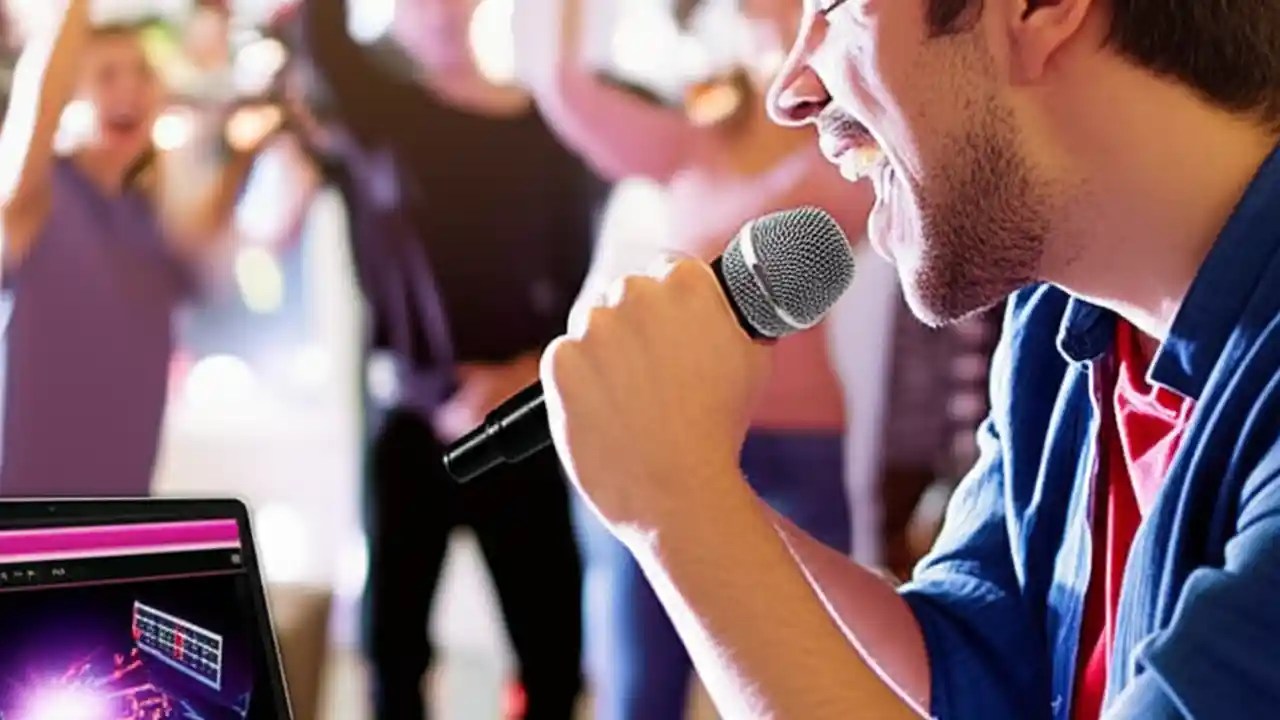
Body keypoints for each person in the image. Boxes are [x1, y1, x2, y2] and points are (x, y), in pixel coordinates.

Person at [537, 0, 1280, 718]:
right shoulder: (1061, 321)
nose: (792, 91)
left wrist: (683, 510)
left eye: (833, 6)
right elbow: (970, 659)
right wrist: (674, 466)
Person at [509, 0, 872, 714]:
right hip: (672, 433)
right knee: (642, 687)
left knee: (815, 679)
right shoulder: (691, 143)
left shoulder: (848, 147)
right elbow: (565, 89)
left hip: (798, 450)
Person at [282, 1, 598, 716]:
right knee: (393, 657)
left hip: (516, 424)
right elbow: (318, 32)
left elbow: (582, 284)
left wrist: (518, 377)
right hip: (408, 425)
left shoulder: (545, 131)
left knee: (551, 654)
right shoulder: (382, 114)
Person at [0, 1, 278, 497]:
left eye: (143, 73)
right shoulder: (33, 203)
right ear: (70, 98)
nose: (129, 88)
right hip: (19, 529)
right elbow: (38, 106)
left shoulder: (153, 223)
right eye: (106, 74)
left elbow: (208, 230)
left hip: (120, 523)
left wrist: (250, 144)